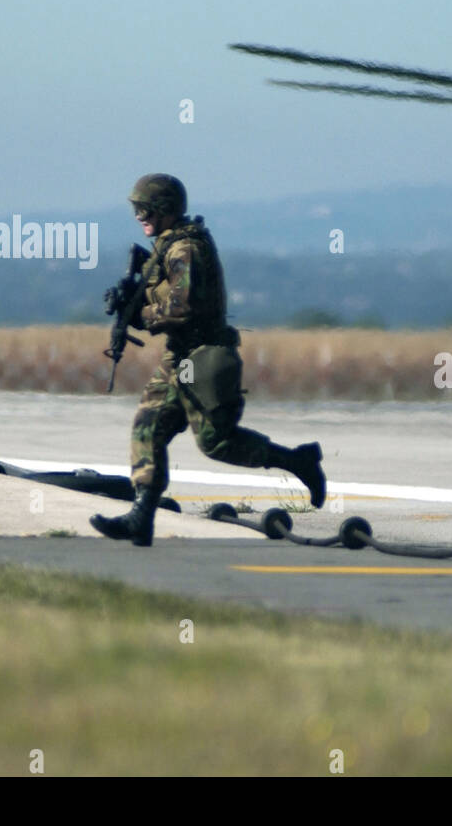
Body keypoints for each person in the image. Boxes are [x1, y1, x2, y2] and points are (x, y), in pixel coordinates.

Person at [90, 173, 326, 546]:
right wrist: (131, 298)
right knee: (147, 427)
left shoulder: (184, 250)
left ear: (165, 209)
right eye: (137, 209)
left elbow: (180, 308)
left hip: (204, 357)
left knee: (217, 442)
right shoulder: (167, 247)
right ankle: (141, 517)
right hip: (180, 356)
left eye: (145, 209)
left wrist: (140, 315)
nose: (139, 216)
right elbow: (164, 297)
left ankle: (298, 462)